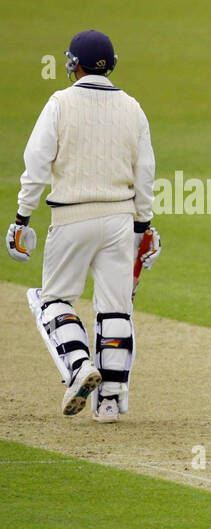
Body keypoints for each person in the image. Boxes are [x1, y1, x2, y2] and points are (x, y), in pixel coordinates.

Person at [7, 29, 159, 422]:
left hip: (71, 216)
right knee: (116, 310)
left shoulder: (60, 103)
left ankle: (78, 366)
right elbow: (145, 173)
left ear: (73, 64)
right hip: (120, 220)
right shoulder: (132, 107)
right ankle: (109, 402)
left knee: (54, 300)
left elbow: (37, 164)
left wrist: (23, 216)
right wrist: (144, 225)